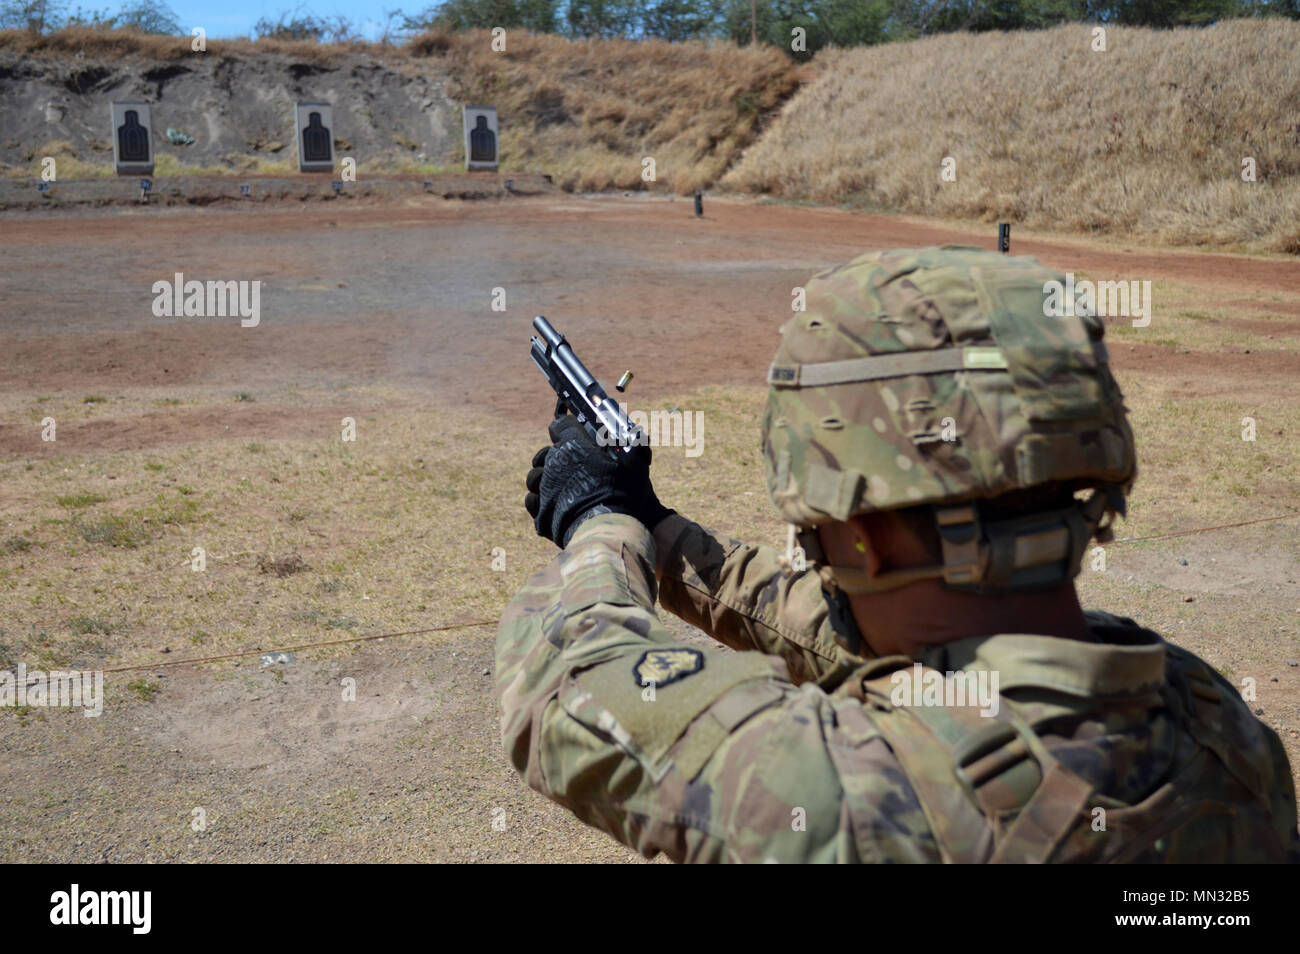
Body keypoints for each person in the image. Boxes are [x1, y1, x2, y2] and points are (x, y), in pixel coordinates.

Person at [495, 246, 1300, 863]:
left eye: (815, 535)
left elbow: (568, 681)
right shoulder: (1217, 726)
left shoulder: (851, 791)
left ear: (860, 537)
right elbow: (854, 630)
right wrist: (659, 528)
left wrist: (597, 520)